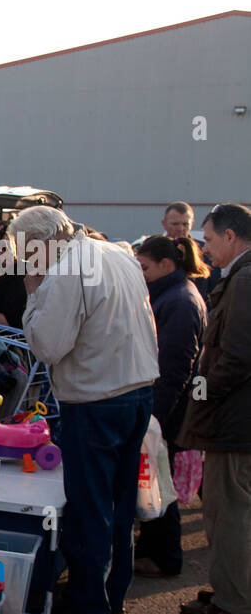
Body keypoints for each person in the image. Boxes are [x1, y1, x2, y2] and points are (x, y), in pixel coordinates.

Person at [14, 206, 159, 614]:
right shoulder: (115, 253)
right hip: (135, 391)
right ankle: (111, 593)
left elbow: (47, 346)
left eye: (26, 250)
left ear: (42, 243)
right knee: (117, 502)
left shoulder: (65, 271)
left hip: (96, 400)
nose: (25, 259)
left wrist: (33, 294)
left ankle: (87, 603)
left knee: (89, 504)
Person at [176, 203, 251, 614]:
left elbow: (238, 355)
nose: (202, 249)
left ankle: (235, 601)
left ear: (230, 236)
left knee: (230, 511)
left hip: (235, 421)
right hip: (236, 418)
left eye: (206, 239)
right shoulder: (240, 277)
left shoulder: (244, 280)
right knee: (235, 508)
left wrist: (200, 392)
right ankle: (236, 590)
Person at [133, 236, 208, 579]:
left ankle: (165, 559)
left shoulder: (178, 301)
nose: (141, 274)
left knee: (163, 485)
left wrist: (156, 418)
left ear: (166, 265)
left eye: (144, 267)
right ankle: (156, 552)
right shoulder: (174, 294)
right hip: (169, 408)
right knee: (159, 482)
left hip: (169, 410)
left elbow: (175, 369)